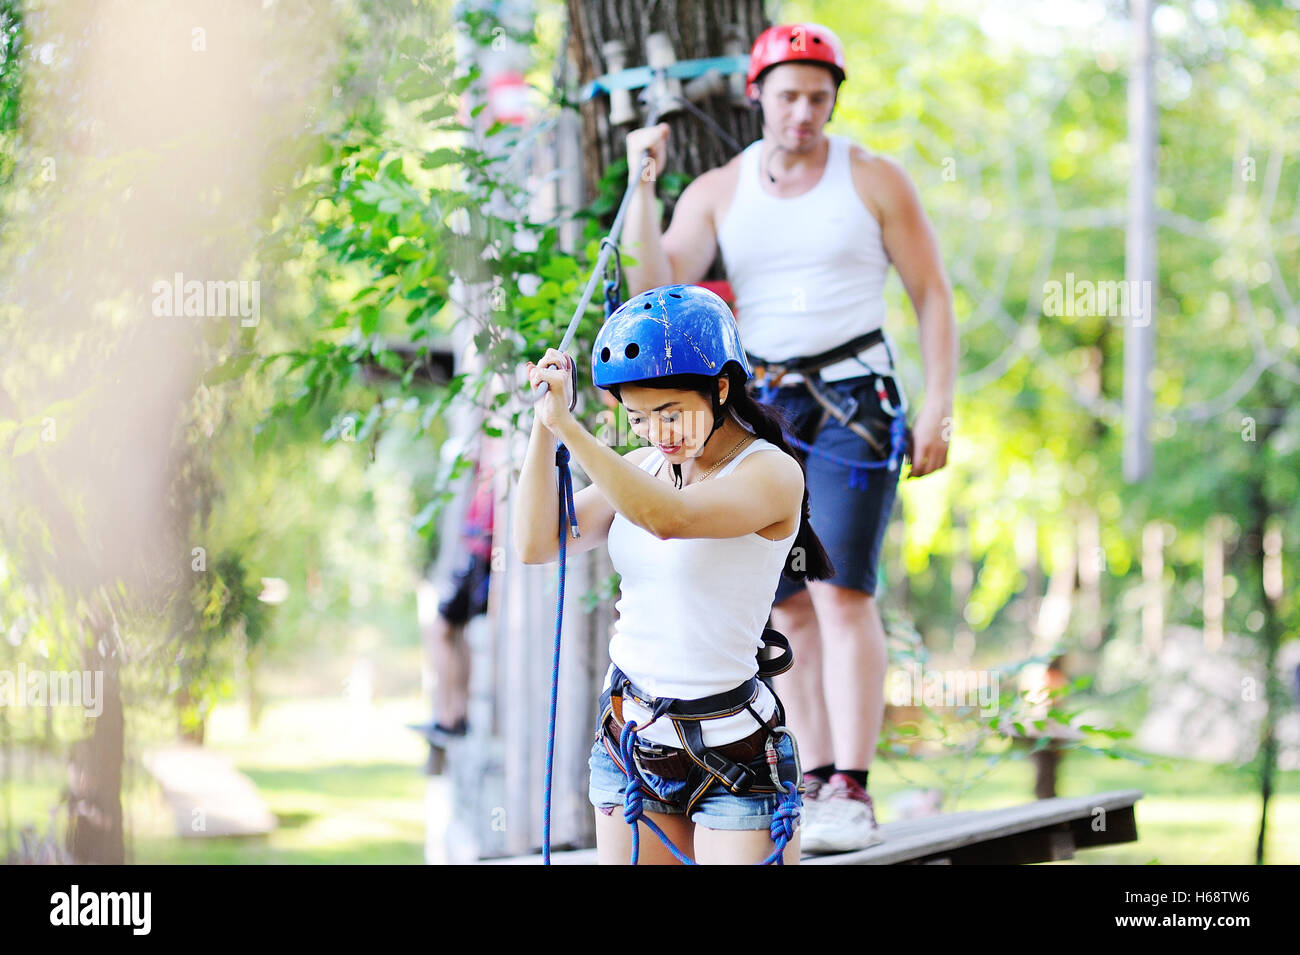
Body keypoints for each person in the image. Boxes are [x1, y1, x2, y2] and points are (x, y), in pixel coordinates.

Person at [621, 22, 958, 852]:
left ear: (833, 99)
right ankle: (812, 777)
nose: (803, 112)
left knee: (846, 592)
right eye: (787, 96)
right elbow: (653, 282)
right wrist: (643, 187)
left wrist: (939, 407)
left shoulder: (874, 178)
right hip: (763, 408)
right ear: (758, 99)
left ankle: (853, 781)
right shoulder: (720, 189)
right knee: (792, 601)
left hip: (853, 400)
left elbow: (933, 295)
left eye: (817, 96)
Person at [514, 284, 837, 865]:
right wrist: (544, 423)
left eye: (671, 413)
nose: (658, 434)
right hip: (633, 741)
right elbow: (539, 542)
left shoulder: (772, 473)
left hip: (734, 749)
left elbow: (670, 518)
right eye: (638, 417)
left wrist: (569, 428)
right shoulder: (642, 467)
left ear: (720, 386)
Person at [410, 458, 494, 749]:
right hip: (479, 547)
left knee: (441, 630)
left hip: (482, 549)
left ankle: (451, 715)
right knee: (454, 631)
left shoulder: (493, 439)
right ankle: (455, 714)